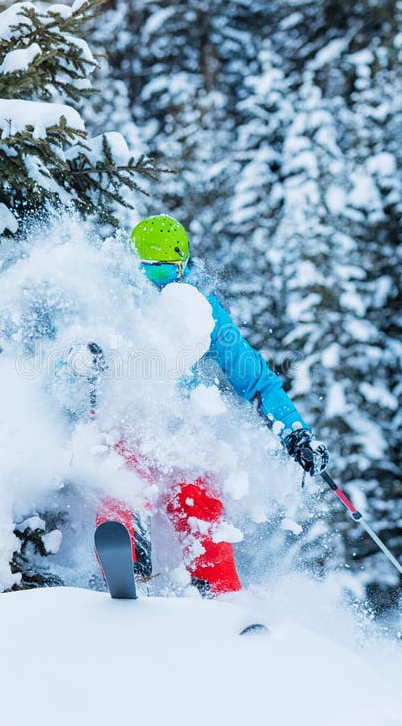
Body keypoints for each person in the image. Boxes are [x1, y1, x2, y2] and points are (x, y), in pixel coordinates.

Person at [93, 214, 329, 597]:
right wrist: (84, 361)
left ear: (182, 268)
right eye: (147, 271)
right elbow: (70, 354)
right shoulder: (109, 300)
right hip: (123, 420)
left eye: (164, 272)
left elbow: (257, 381)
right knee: (125, 473)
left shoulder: (202, 312)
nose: (155, 283)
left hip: (180, 427)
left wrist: (295, 433)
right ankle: (127, 561)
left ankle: (221, 596)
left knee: (200, 501)